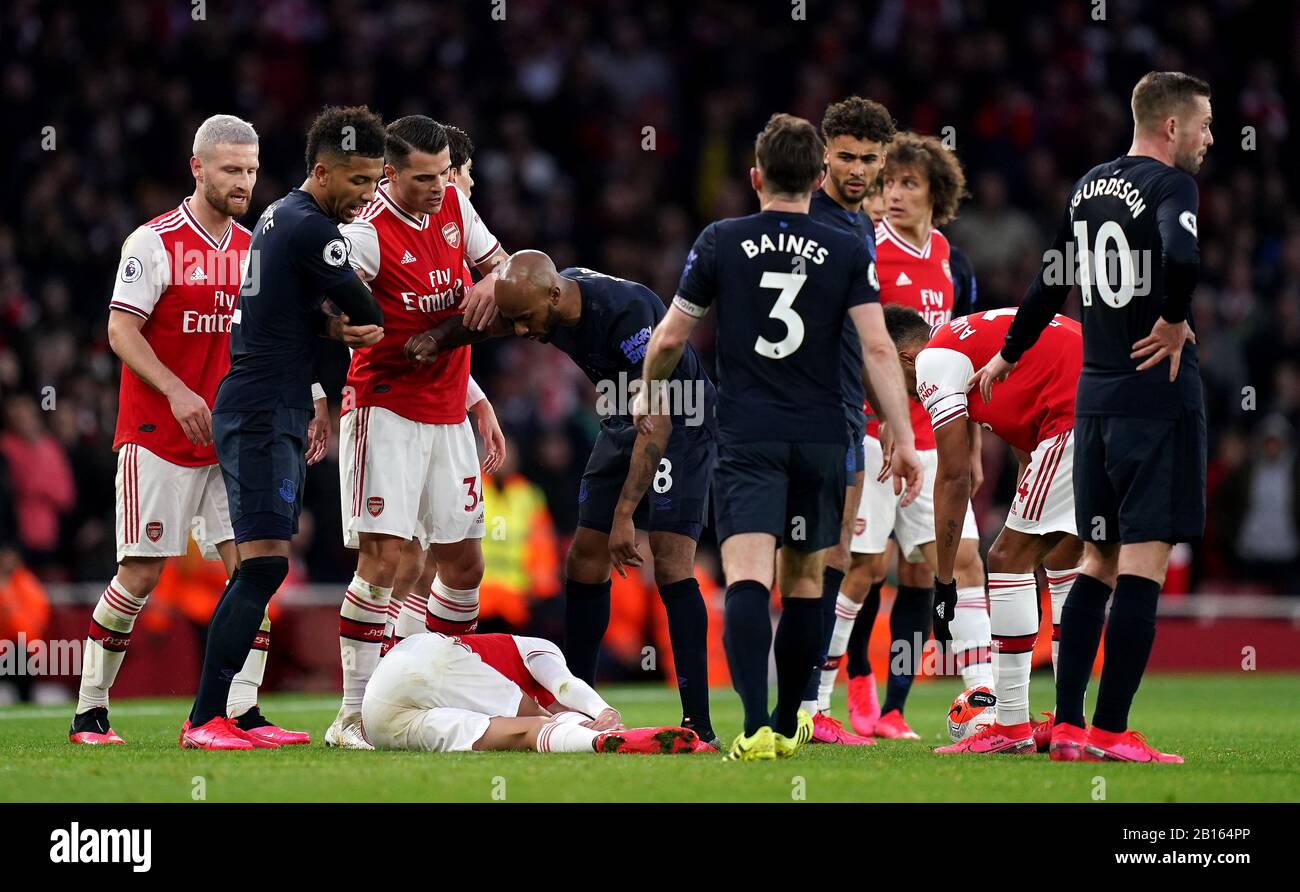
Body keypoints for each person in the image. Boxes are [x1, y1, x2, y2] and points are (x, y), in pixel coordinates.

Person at [637, 113, 922, 761]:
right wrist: (902, 436)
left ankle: (756, 724)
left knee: (745, 577)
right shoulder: (849, 247)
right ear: (818, 173)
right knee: (805, 580)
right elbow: (879, 345)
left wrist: (648, 398)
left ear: (756, 175)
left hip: (746, 436)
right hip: (825, 435)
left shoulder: (719, 240)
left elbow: (672, 336)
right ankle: (797, 717)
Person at [970, 71, 1214, 763]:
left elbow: (1052, 280)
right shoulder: (1172, 187)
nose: (1210, 137)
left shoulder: (1087, 188)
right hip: (1155, 398)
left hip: (1094, 403)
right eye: (1204, 125)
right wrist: (1171, 320)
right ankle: (1110, 731)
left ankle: (1070, 725)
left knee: (1096, 561)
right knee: (1142, 562)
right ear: (1171, 127)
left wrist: (1010, 353)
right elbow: (1186, 254)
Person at [408, 251, 722, 748]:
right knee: (583, 560)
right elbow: (491, 327)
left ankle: (698, 722)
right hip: (622, 419)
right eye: (517, 321)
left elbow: (658, 420)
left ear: (553, 296)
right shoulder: (546, 300)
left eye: (527, 320)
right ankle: (583, 704)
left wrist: (623, 516)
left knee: (670, 560)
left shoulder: (629, 315)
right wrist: (439, 338)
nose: (522, 331)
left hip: (679, 421)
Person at [70, 115, 310, 746]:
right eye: (232, 170)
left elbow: (274, 336)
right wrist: (176, 391)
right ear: (197, 168)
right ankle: (90, 710)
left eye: (253, 171)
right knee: (142, 573)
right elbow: (120, 332)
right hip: (157, 433)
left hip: (231, 440)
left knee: (255, 568)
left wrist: (309, 395)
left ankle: (240, 711)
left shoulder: (257, 246)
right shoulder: (152, 242)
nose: (245, 182)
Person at [180, 105, 387, 750]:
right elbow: (369, 309)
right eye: (358, 182)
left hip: (267, 403)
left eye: (377, 181)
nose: (367, 197)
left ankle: (237, 715)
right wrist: (354, 320)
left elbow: (293, 312)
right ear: (322, 172)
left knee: (264, 562)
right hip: (265, 410)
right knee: (262, 567)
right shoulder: (315, 231)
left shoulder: (279, 216)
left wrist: (329, 328)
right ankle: (205, 718)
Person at [328, 115, 509, 750]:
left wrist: (489, 286)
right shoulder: (367, 235)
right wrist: (333, 330)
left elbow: (501, 270)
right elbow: (320, 301)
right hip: (385, 409)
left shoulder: (456, 206)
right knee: (386, 560)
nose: (439, 188)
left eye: (443, 175)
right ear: (390, 174)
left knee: (464, 562)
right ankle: (352, 716)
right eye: (423, 178)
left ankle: (418, 686)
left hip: (447, 411)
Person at [881, 306, 1084, 754]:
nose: (882, 390)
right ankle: (1071, 723)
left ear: (903, 359)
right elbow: (1027, 447)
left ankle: (1009, 729)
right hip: (1105, 407)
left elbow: (952, 477)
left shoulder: (935, 358)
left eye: (878, 369)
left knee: (1006, 559)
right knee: (1064, 560)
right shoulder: (976, 344)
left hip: (1075, 417)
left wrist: (945, 580)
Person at [844, 132, 990, 740]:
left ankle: (950, 706)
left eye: (909, 183)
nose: (894, 194)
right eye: (888, 183)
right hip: (875, 437)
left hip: (935, 438)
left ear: (938, 193)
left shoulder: (953, 262)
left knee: (943, 567)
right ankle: (835, 695)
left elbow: (966, 356)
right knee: (865, 567)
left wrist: (972, 443)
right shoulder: (863, 249)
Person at [798, 95, 894, 747]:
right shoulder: (814, 221)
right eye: (847, 157)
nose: (857, 169)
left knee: (840, 554)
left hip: (846, 411)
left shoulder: (860, 226)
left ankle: (813, 705)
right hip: (807, 412)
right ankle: (799, 705)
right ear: (824, 153)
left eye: (868, 159)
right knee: (808, 558)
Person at [363, 631, 702, 754]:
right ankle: (603, 738)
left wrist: (582, 725)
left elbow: (539, 723)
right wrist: (603, 711)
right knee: (534, 719)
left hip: (381, 724)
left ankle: (602, 743)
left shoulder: (536, 709)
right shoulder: (537, 648)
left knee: (527, 733)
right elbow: (564, 684)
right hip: (424, 656)